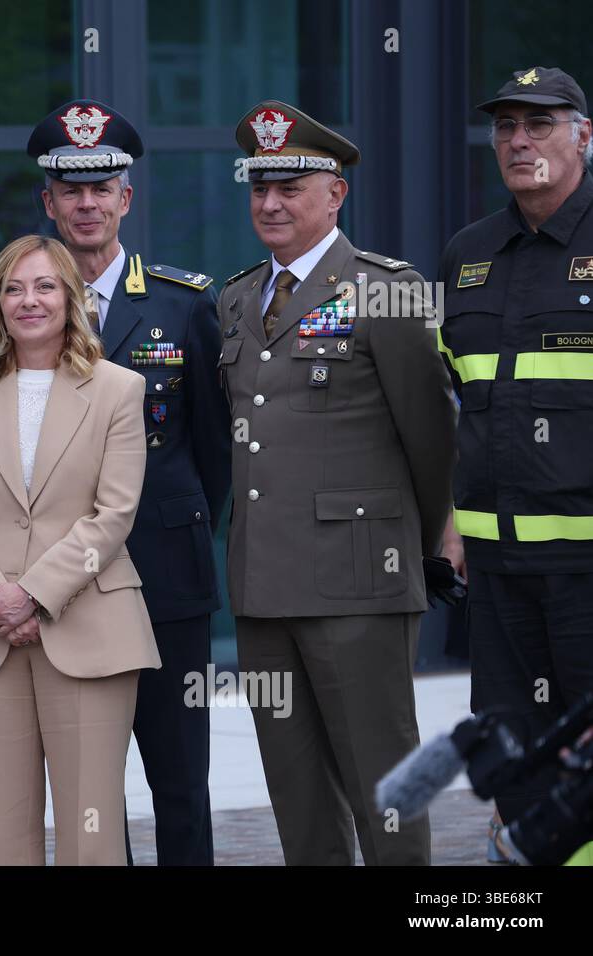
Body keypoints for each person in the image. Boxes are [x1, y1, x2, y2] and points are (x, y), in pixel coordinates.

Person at [218, 100, 457, 865]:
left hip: (361, 580)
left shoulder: (386, 288)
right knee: (296, 792)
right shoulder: (236, 298)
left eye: (291, 186)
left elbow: (433, 435)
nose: (271, 202)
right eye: (260, 187)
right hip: (263, 587)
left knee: (383, 781)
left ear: (336, 194)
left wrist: (431, 545)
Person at [28, 98, 231, 865]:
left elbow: (216, 450)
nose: (86, 203)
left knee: (180, 778)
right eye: (69, 189)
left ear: (126, 198)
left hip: (164, 578)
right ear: (48, 201)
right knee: (89, 785)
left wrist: (175, 523)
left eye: (101, 186)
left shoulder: (183, 304)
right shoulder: (20, 304)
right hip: (63, 579)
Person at [0, 234, 157, 865]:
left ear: (71, 297)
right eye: (13, 288)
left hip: (90, 629)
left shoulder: (118, 390)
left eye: (45, 286)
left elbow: (113, 515)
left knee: (91, 833)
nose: (29, 300)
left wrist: (32, 594)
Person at [437, 66, 593, 852]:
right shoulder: (469, 254)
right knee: (517, 751)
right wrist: (450, 526)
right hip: (497, 571)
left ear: (584, 137)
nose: (519, 140)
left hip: (586, 563)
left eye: (539, 123)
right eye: (506, 127)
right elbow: (449, 403)